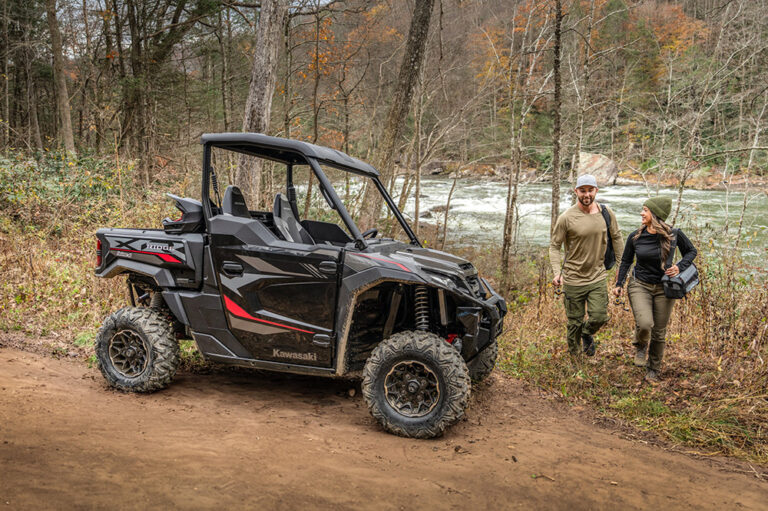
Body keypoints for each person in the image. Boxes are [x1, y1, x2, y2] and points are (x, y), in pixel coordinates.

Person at [612, 196, 697, 382]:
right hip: (639, 284)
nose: (642, 213)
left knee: (659, 331)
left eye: (645, 210)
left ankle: (653, 369)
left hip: (664, 287)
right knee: (644, 324)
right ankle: (641, 345)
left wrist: (679, 266)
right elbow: (626, 260)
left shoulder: (674, 234)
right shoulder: (635, 236)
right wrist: (619, 284)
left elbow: (691, 251)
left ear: (656, 214)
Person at [550, 174, 624, 359]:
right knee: (574, 322)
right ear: (576, 191)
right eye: (583, 191)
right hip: (573, 278)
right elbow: (554, 246)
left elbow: (617, 238)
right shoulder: (566, 218)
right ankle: (575, 361)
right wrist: (557, 272)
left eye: (590, 190)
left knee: (599, 316)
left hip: (597, 276)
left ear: (596, 191)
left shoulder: (606, 213)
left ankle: (586, 333)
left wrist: (621, 272)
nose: (587, 195)